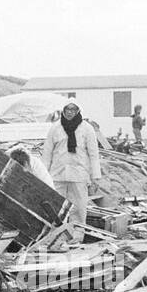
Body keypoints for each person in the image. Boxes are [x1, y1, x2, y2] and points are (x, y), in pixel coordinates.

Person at [42, 100, 101, 245]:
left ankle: (76, 237)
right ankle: (55, 237)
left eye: (73, 109)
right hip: (58, 174)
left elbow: (93, 154)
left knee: (79, 208)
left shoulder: (87, 129)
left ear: (78, 111)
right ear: (63, 110)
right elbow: (47, 152)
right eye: (67, 109)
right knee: (56, 208)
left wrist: (96, 177)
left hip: (79, 174)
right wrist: (44, 175)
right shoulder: (55, 128)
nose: (70, 112)